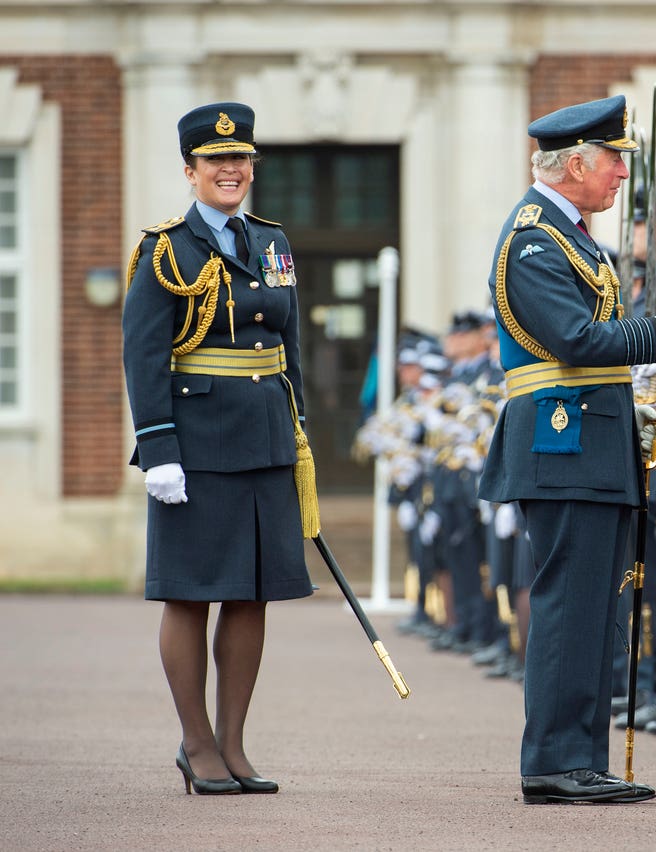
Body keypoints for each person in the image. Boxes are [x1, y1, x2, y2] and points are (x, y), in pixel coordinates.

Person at [477, 94, 656, 805]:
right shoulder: (535, 239)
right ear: (576, 163)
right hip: (565, 443)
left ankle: (579, 758)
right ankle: (556, 760)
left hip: (590, 438)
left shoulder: (571, 234)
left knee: (598, 607)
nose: (623, 174)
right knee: (570, 604)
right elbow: (579, 342)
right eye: (615, 161)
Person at [122, 102, 313, 796]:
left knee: (251, 595)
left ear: (252, 168)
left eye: (240, 161)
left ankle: (233, 744)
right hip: (196, 444)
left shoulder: (271, 240)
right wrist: (157, 445)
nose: (230, 171)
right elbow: (143, 355)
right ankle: (195, 742)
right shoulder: (165, 249)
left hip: (263, 438)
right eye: (215, 161)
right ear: (191, 169)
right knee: (191, 593)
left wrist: (300, 427)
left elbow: (290, 344)